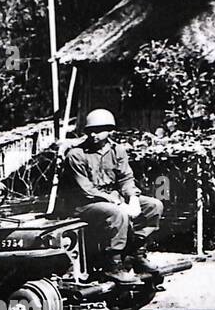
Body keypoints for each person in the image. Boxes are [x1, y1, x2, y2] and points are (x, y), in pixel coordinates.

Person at [56, 108, 163, 284]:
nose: (94, 135)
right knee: (117, 213)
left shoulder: (117, 151)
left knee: (153, 206)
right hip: (84, 205)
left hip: (113, 199)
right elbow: (86, 190)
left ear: (109, 130)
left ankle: (137, 254)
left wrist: (133, 199)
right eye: (90, 131)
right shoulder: (76, 154)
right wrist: (115, 201)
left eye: (99, 130)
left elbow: (126, 178)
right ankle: (113, 265)